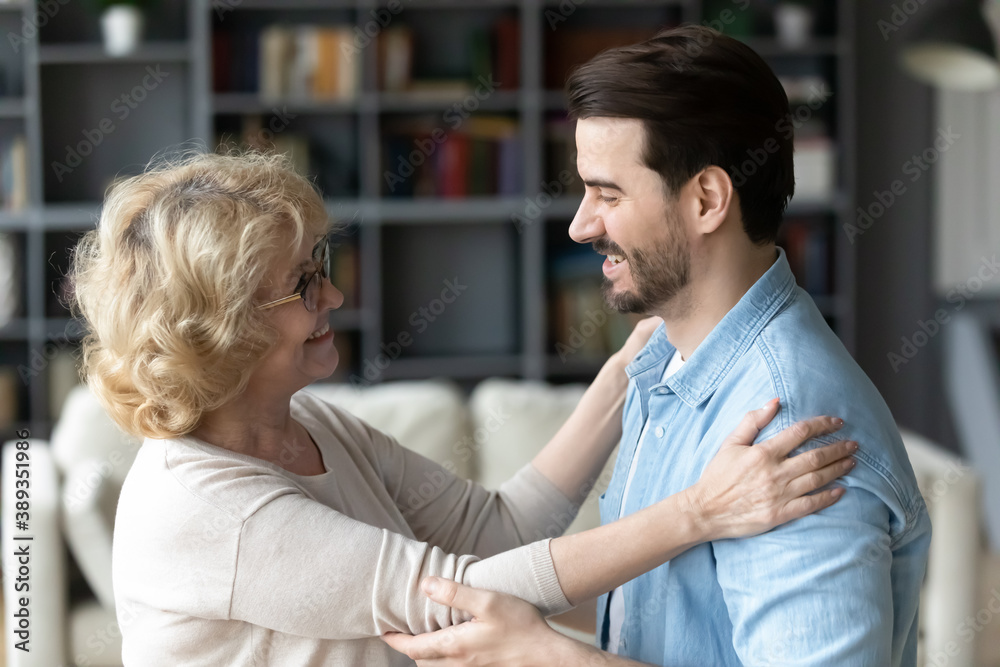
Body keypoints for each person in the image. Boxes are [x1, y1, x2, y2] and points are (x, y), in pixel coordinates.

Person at [69, 148, 856, 666]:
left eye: (322, 265)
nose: (335, 294)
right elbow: (464, 590)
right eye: (304, 284)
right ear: (222, 329)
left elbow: (499, 530)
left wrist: (627, 369)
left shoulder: (314, 425)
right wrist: (699, 512)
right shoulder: (200, 504)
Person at [385, 25, 932, 667]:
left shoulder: (788, 431)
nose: (581, 224)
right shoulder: (663, 364)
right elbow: (668, 598)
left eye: (607, 194)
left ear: (706, 199)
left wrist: (547, 657)